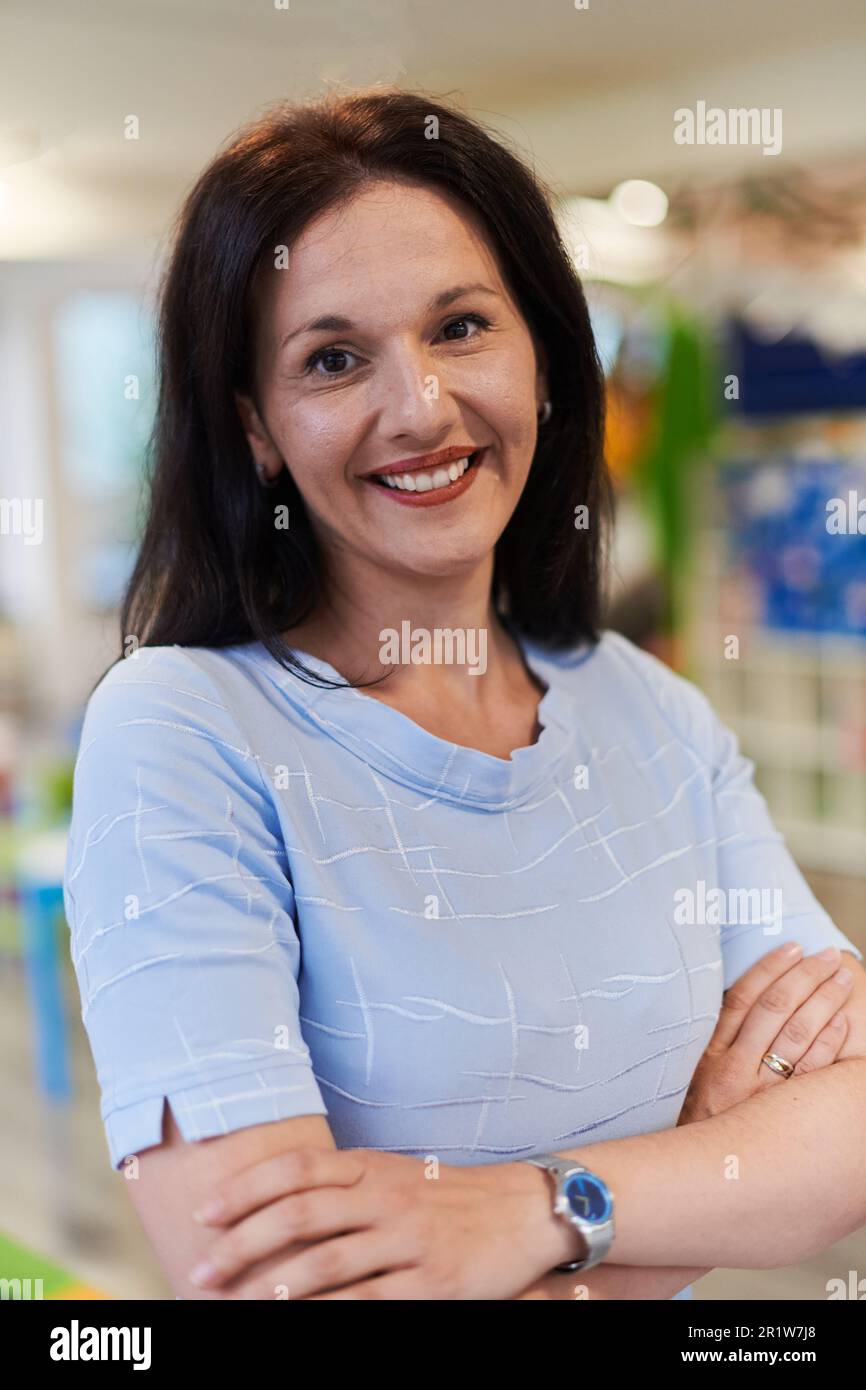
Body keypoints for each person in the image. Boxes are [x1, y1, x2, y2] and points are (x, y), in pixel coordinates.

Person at [63, 88, 866, 1301]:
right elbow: (290, 1287)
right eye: (332, 358)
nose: (420, 408)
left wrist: (530, 1210)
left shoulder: (652, 713)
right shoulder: (182, 730)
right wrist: (696, 1174)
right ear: (257, 427)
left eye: (460, 327)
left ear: (539, 352)